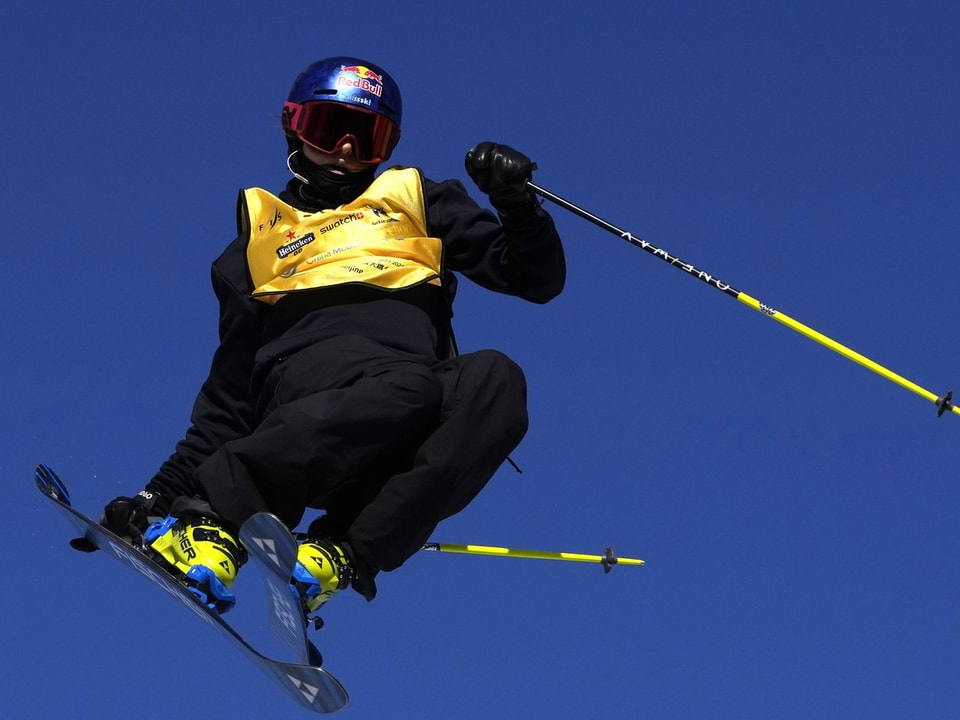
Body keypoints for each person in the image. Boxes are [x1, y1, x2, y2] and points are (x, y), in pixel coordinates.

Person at [101, 56, 566, 617]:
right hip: (310, 399)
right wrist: (159, 495)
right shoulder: (256, 243)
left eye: (366, 137)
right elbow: (228, 401)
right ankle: (209, 522)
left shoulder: (414, 199)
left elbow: (534, 279)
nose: (345, 149)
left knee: (496, 381)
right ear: (294, 126)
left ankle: (342, 550)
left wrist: (516, 204)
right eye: (328, 129)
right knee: (407, 389)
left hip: (397, 412)